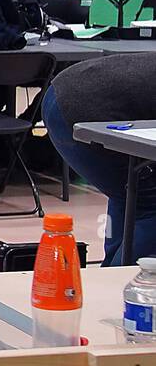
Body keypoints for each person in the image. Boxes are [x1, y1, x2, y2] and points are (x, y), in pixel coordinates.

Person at [44, 53, 156, 265]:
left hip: (59, 92)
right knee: (150, 205)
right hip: (82, 109)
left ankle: (111, 269)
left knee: (127, 190)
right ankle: (121, 279)